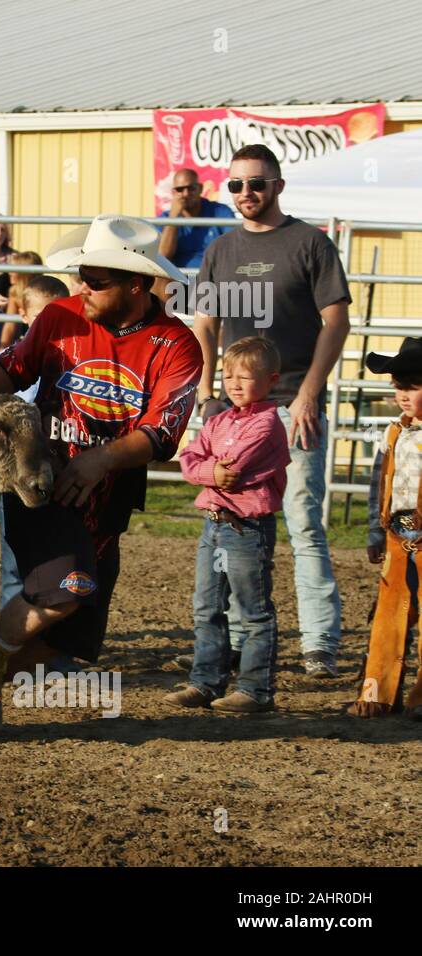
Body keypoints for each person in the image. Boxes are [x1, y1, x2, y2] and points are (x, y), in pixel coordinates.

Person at [0, 215, 203, 735]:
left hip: (108, 496)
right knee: (64, 589)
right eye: (82, 276)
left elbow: (164, 433)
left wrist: (100, 459)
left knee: (70, 637)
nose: (83, 287)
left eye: (96, 280)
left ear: (137, 284)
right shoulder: (60, 318)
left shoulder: (176, 345)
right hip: (42, 480)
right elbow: (11, 368)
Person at [192, 143, 351, 678]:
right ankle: (239, 642)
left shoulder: (310, 243)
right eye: (236, 185)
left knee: (302, 523)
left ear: (278, 185)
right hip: (235, 415)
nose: (246, 193)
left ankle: (319, 643)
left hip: (291, 409)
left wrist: (308, 392)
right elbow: (207, 325)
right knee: (234, 526)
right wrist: (206, 389)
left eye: (257, 183)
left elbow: (337, 322)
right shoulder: (220, 250)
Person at [166, 337, 289, 714]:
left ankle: (255, 689)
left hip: (246, 529)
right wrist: (210, 471)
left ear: (271, 380)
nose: (234, 383)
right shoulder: (218, 420)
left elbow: (232, 468)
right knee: (207, 607)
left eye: (246, 376)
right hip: (216, 525)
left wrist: (210, 469)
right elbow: (190, 459)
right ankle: (206, 682)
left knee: (252, 610)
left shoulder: (267, 426)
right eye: (228, 375)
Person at [349, 338, 422, 720]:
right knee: (388, 618)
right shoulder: (394, 434)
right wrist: (376, 532)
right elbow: (380, 484)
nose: (403, 395)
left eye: (413, 386)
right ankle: (377, 692)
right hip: (398, 536)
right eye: (398, 386)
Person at [0, 275, 67, 612]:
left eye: (59, 316)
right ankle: (11, 635)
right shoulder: (8, 362)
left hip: (61, 471)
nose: (49, 326)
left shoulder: (74, 363)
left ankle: (46, 636)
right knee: (15, 560)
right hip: (16, 476)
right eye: (41, 318)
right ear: (23, 315)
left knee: (58, 554)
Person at [157, 168, 235, 270]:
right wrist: (173, 217)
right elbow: (163, 257)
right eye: (180, 189)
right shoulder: (165, 218)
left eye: (191, 188)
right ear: (174, 193)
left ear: (200, 188)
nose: (186, 194)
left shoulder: (221, 211)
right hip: (180, 280)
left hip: (215, 276)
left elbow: (233, 251)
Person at [0, 250, 44, 349]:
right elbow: (9, 325)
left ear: (24, 273)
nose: (9, 273)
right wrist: (1, 350)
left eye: (13, 269)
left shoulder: (44, 293)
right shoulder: (14, 293)